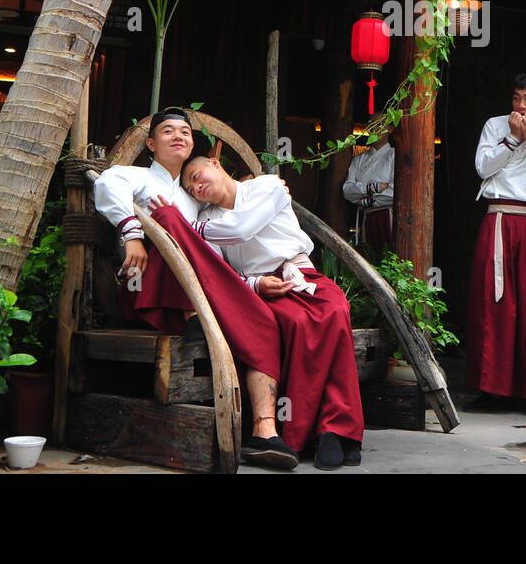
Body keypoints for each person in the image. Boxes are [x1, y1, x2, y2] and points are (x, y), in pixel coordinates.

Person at [93, 108, 296, 470]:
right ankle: (196, 320)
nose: (178, 136)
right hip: (150, 289)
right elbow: (107, 184)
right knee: (170, 222)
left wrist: (273, 190)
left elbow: (215, 250)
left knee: (263, 322)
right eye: (168, 131)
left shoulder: (197, 200)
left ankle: (265, 431)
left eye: (185, 131)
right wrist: (132, 233)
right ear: (151, 144)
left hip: (199, 291)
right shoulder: (138, 177)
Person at [176, 153, 366, 470]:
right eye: (190, 188)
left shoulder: (266, 187)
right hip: (267, 292)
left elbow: (241, 228)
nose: (197, 187)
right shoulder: (210, 218)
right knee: (296, 323)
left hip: (303, 275)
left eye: (197, 176)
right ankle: (326, 432)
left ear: (214, 163)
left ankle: (334, 429)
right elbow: (223, 274)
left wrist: (191, 228)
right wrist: (256, 283)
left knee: (336, 310)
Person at [466, 72, 526, 409]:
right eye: (517, 98)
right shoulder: (496, 125)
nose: (521, 106)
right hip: (499, 218)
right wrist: (512, 139)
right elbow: (482, 168)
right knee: (495, 302)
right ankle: (492, 388)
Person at [342, 120, 394, 250]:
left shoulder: (394, 155)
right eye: (372, 125)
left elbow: (395, 193)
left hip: (388, 217)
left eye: (381, 124)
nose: (375, 128)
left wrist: (363, 200)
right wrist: (374, 188)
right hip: (366, 218)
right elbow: (347, 191)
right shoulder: (358, 159)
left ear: (391, 129)